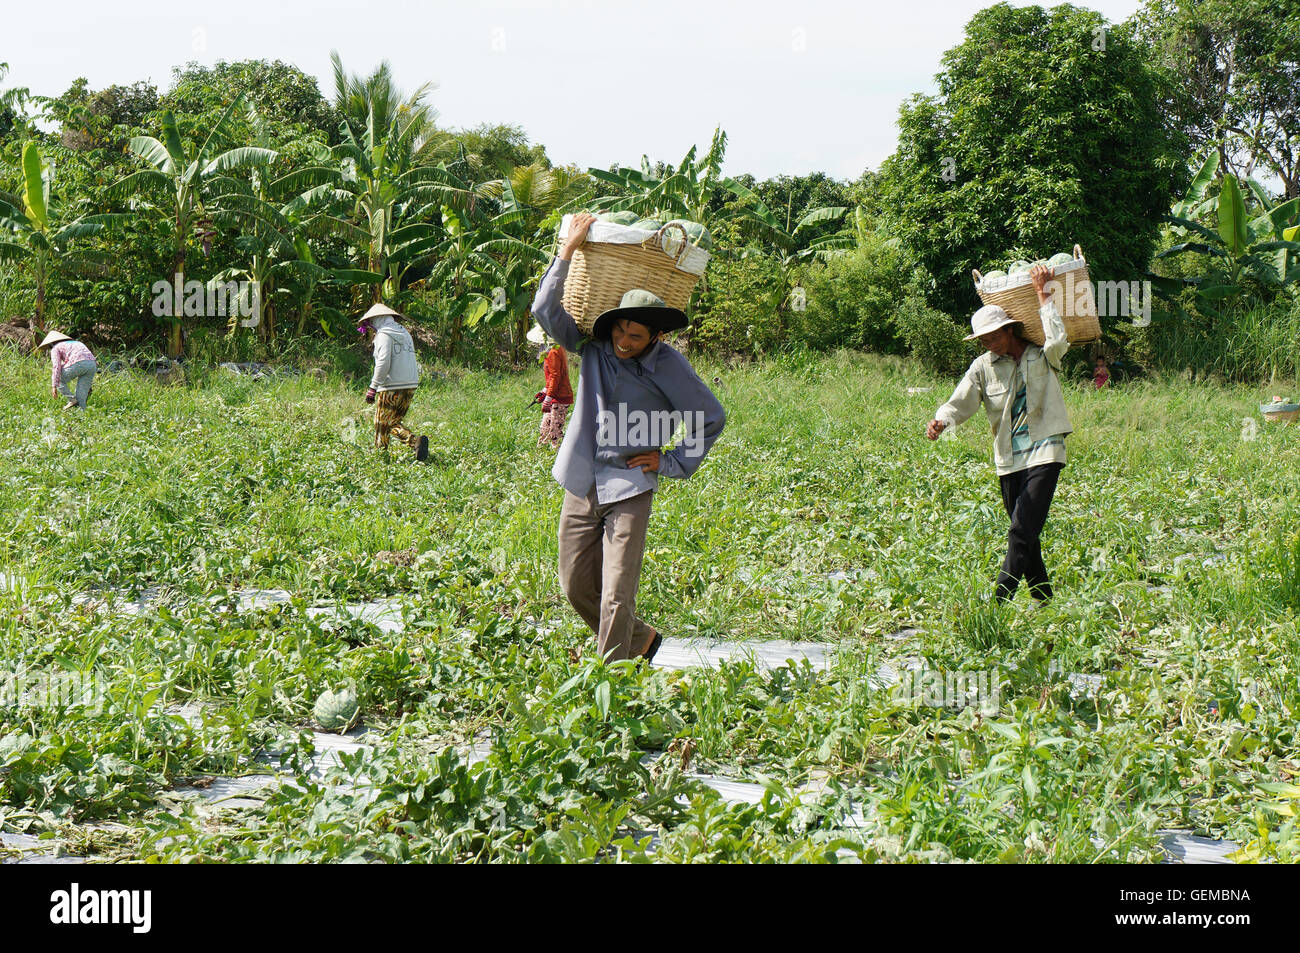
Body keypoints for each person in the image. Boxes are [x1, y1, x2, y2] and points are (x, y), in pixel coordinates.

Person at [531, 212, 725, 664]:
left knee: (618, 592)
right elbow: (544, 311)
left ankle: (612, 680)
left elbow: (711, 417)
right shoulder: (595, 348)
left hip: (630, 486)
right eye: (619, 329)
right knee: (575, 585)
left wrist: (672, 461)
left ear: (656, 336)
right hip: (582, 478)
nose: (622, 340)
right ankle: (640, 639)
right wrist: (568, 252)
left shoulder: (670, 367)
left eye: (634, 336)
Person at [926, 264, 1072, 603]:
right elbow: (958, 403)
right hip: (1008, 457)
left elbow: (1058, 338)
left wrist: (1042, 294)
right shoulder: (983, 368)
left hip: (1045, 449)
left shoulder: (1041, 355)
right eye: (983, 340)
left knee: (1020, 531)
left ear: (1009, 331)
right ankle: (1045, 604)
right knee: (1028, 536)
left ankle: (997, 605)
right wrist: (941, 421)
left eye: (993, 337)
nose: (988, 344)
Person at [358, 302, 428, 462]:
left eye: (371, 322)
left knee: (381, 422)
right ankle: (415, 442)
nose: (371, 326)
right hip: (410, 383)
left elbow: (383, 363)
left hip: (391, 385)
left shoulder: (383, 335)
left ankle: (380, 456)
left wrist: (373, 387)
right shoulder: (404, 333)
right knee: (393, 422)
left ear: (377, 319)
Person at [528, 322, 575, 449]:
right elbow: (551, 378)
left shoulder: (553, 352)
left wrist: (548, 399)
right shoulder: (553, 349)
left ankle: (562, 455)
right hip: (554, 395)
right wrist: (544, 391)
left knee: (555, 431)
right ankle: (540, 452)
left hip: (560, 398)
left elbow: (556, 377)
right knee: (545, 426)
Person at [38, 331, 97, 410]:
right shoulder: (76, 343)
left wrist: (54, 386)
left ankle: (72, 400)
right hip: (92, 364)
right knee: (81, 395)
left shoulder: (55, 348)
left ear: (51, 344)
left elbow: (56, 366)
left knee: (59, 379)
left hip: (78, 362)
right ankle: (81, 415)